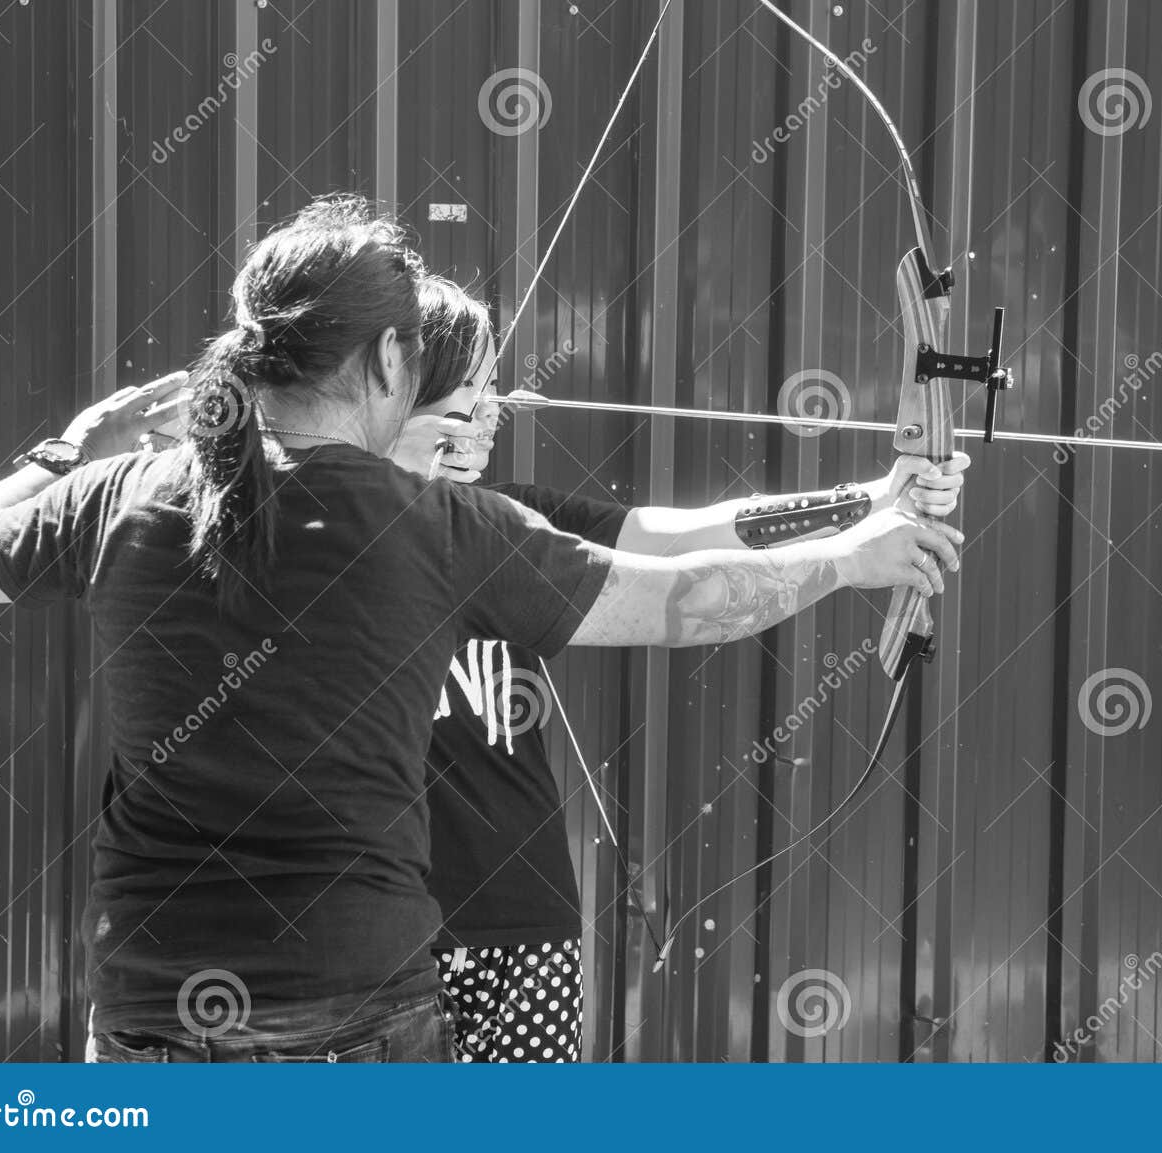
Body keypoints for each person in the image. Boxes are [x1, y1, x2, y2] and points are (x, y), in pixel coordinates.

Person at [0, 196, 963, 1063]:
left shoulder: (119, 493)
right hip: (353, 1006)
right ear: (385, 361)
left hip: (150, 1010)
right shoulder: (436, 526)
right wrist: (848, 559)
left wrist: (75, 446)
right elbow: (686, 599)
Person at [386, 274, 970, 1062]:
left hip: (519, 930)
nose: (488, 424)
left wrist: (869, 501)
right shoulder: (317, 530)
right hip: (376, 942)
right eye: (466, 403)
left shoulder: (505, 523)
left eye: (494, 399)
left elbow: (677, 536)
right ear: (393, 392)